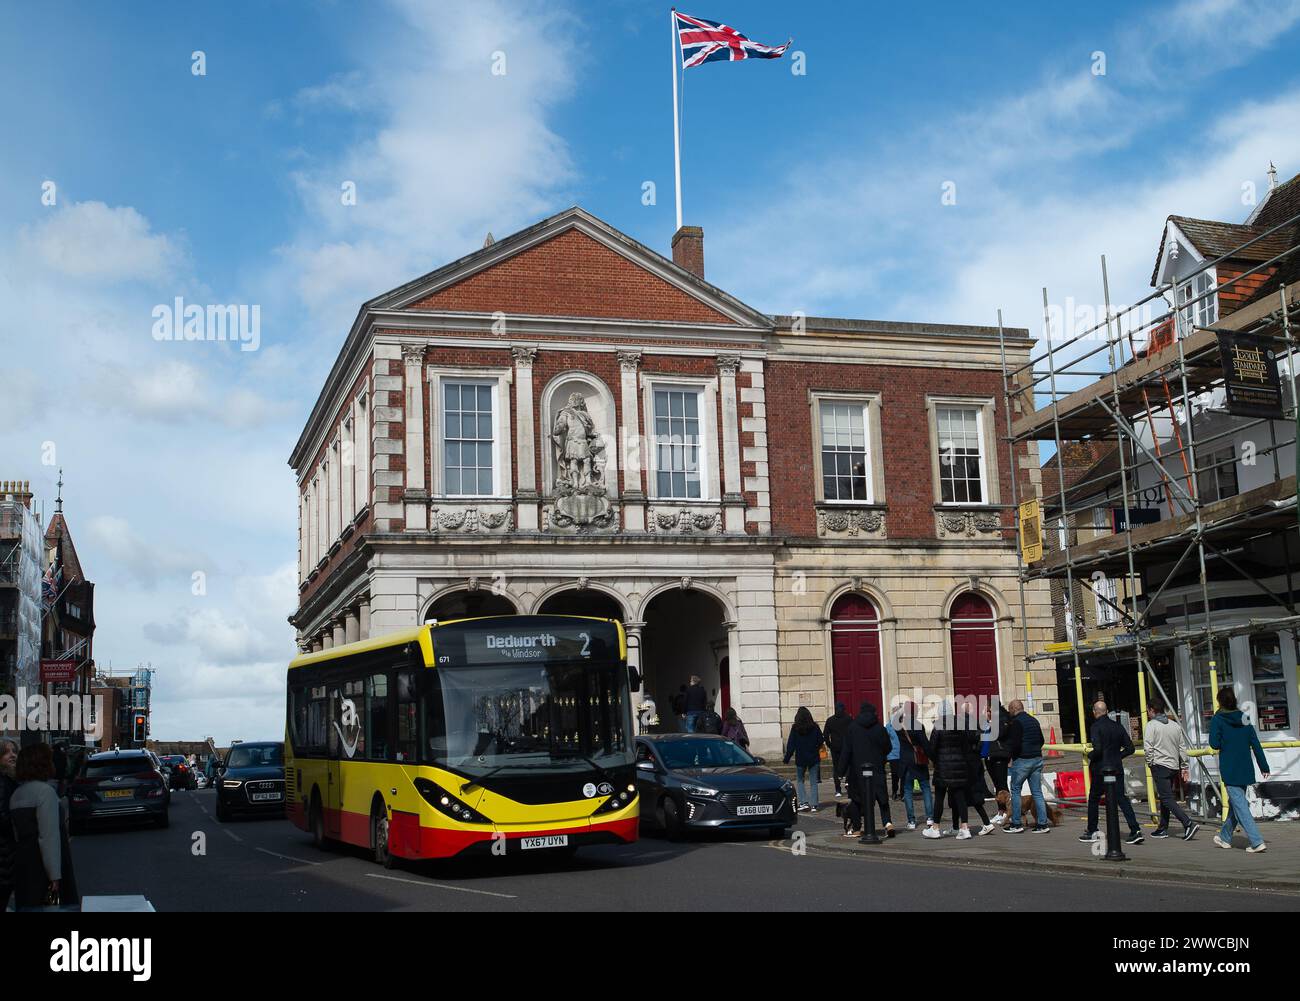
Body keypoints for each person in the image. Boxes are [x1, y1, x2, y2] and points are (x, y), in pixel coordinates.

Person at [8, 743, 79, 909]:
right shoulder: (45, 792)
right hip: (43, 867)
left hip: (24, 865)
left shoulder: (17, 794)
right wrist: (54, 875)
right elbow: (48, 837)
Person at [1209, 688, 1270, 853]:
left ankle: (1256, 841)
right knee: (1236, 804)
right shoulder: (1244, 717)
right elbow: (1255, 743)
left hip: (1230, 768)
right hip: (1245, 768)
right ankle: (1225, 837)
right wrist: (1264, 766)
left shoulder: (1218, 719)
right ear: (1234, 700)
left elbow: (1214, 743)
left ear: (1220, 702)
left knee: (1240, 805)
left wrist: (1225, 741)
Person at [1080, 700, 1143, 845]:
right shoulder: (1117, 726)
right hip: (1116, 768)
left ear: (1095, 712)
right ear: (1107, 711)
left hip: (1100, 770)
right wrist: (1117, 757)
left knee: (1094, 799)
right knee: (1121, 798)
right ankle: (1135, 829)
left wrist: (1090, 756)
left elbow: (1099, 749)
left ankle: (1092, 830)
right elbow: (1130, 748)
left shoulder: (1095, 727)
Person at [836, 701, 895, 837]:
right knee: (882, 799)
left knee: (857, 800)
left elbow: (846, 751)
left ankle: (857, 828)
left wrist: (840, 771)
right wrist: (881, 758)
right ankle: (888, 823)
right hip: (877, 768)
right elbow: (888, 747)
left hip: (857, 771)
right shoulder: (880, 728)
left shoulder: (852, 728)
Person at [1143, 698, 1199, 841]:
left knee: (1166, 798)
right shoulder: (1174, 725)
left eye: (1148, 710)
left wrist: (1150, 763)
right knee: (1165, 797)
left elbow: (1148, 747)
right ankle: (1163, 828)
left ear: (1152, 710)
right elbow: (1182, 748)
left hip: (1159, 765)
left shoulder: (1151, 725)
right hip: (1173, 766)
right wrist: (1184, 766)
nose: (1148, 713)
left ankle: (1188, 823)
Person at [922, 701, 972, 839]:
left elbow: (932, 748)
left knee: (939, 798)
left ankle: (936, 827)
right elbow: (966, 746)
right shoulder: (960, 725)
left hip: (943, 768)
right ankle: (965, 827)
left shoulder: (938, 726)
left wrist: (935, 760)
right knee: (961, 798)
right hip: (959, 767)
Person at [1004, 699, 1050, 834]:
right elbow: (1041, 740)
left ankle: (1016, 823)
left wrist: (1011, 758)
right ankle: (1042, 824)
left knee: (1016, 790)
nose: (1009, 712)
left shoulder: (1016, 722)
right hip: (1037, 759)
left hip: (1023, 760)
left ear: (1013, 709)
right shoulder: (1034, 720)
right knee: (1037, 792)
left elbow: (1016, 744)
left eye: (1009, 710)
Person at [894, 701, 934, 832]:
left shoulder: (900, 727)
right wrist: (932, 757)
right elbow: (925, 744)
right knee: (926, 788)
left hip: (906, 762)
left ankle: (911, 820)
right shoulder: (918, 726)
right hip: (919, 761)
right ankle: (929, 817)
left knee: (908, 791)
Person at [960, 699, 996, 835]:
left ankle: (963, 827)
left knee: (961, 795)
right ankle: (984, 823)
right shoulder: (976, 723)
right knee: (970, 794)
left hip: (966, 762)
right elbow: (981, 739)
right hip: (975, 759)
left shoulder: (962, 725)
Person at [783, 707, 825, 813]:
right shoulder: (815, 727)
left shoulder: (795, 728)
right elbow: (820, 740)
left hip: (801, 758)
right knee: (813, 782)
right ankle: (814, 805)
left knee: (800, 780)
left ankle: (803, 802)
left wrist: (787, 757)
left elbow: (791, 744)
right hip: (813, 757)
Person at [985, 702, 1012, 824]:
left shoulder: (1002, 719)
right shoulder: (992, 721)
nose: (987, 713)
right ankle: (1000, 811)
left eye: (989, 710)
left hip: (999, 755)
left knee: (1002, 785)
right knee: (997, 785)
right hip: (991, 755)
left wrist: (990, 723)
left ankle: (1007, 811)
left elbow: (1000, 734)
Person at [0, 738, 18, 912]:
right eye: (6, 752)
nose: (12, 755)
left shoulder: (8, 779)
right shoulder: (3, 782)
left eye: (14, 751)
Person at [823, 702, 852, 800]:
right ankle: (848, 782)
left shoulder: (830, 720)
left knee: (836, 767)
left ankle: (838, 789)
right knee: (848, 765)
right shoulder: (849, 719)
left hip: (835, 747)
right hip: (846, 746)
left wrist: (829, 745)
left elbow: (825, 735)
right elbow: (853, 731)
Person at [886, 719, 902, 800]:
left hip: (902, 754)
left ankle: (903, 793)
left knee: (903, 774)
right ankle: (894, 792)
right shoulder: (888, 726)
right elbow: (885, 740)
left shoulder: (903, 724)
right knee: (895, 775)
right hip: (893, 754)